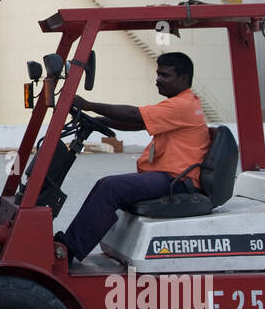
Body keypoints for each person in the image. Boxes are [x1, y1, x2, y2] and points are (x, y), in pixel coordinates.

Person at [55, 52, 209, 263]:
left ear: (183, 78)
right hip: (171, 177)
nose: (158, 79)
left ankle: (66, 251)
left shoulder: (181, 106)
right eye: (158, 74)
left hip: (178, 181)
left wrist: (89, 105)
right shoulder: (182, 104)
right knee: (107, 186)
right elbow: (138, 123)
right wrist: (99, 120)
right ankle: (68, 245)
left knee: (109, 188)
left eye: (165, 75)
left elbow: (134, 115)